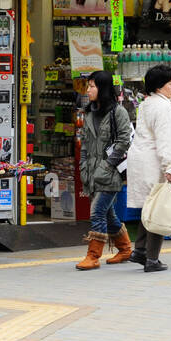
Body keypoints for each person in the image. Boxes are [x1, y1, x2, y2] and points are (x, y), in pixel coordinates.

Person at [124, 66, 171, 272]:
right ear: (159, 87)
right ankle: (152, 259)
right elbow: (165, 140)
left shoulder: (147, 104)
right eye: (170, 83)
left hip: (140, 159)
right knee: (159, 208)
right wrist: (170, 167)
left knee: (149, 205)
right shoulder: (163, 107)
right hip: (154, 161)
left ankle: (139, 250)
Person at [76, 70, 134, 270]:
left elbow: (124, 141)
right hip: (92, 172)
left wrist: (107, 165)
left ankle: (93, 256)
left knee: (97, 211)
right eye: (88, 86)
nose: (88, 90)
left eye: (92, 86)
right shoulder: (89, 113)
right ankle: (125, 249)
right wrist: (83, 166)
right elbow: (84, 144)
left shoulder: (118, 112)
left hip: (111, 173)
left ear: (103, 88)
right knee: (108, 214)